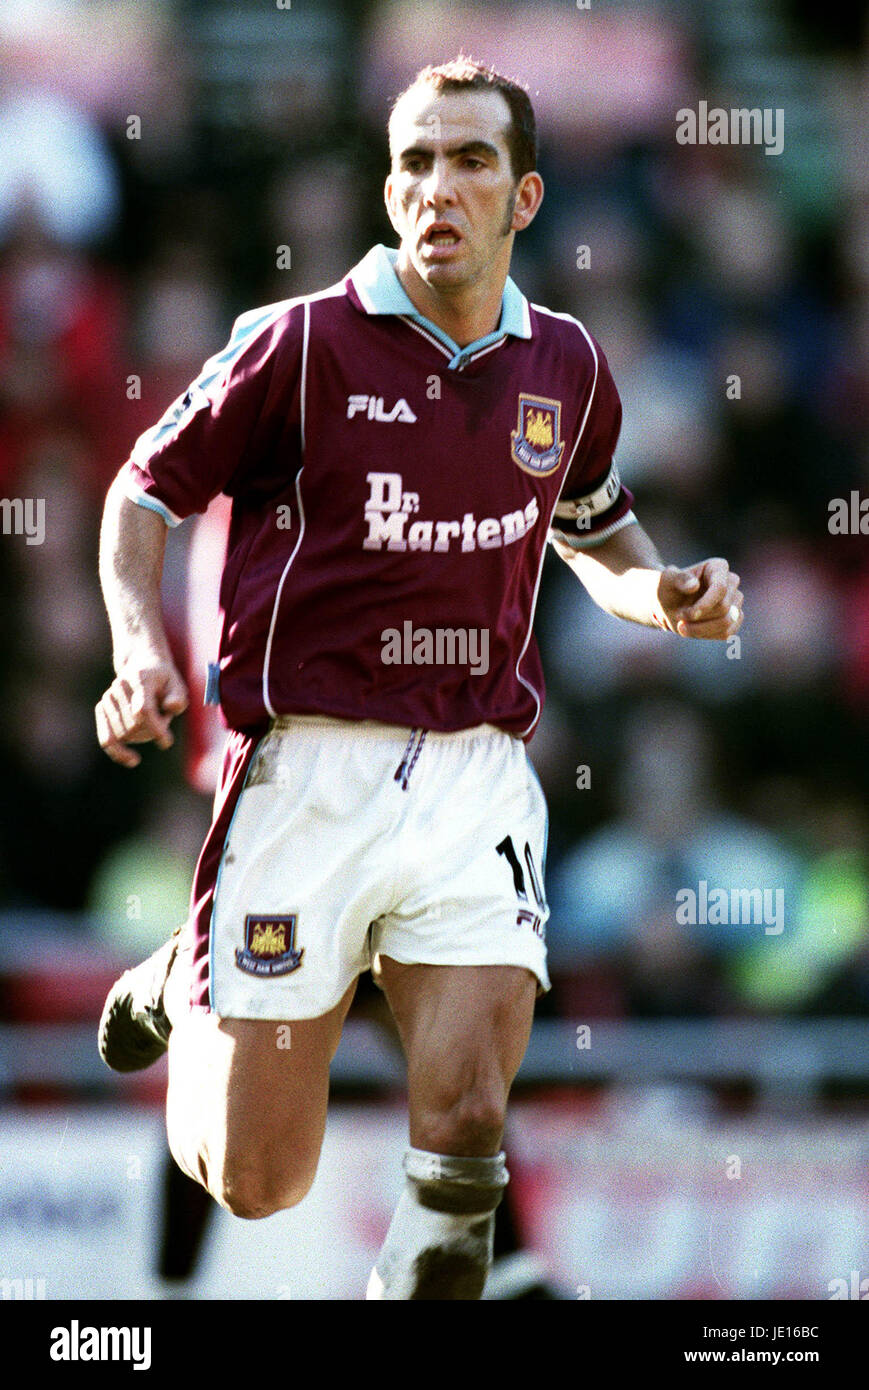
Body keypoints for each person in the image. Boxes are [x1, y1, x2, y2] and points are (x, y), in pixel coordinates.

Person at [94, 56, 743, 1300]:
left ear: (526, 196)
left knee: (462, 1143)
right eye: (413, 161)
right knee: (256, 1177)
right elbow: (141, 490)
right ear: (390, 188)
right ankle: (187, 975)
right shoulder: (293, 346)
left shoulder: (567, 367)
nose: (436, 186)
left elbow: (596, 530)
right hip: (307, 774)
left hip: (476, 780)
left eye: (470, 160)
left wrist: (658, 593)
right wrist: (137, 648)